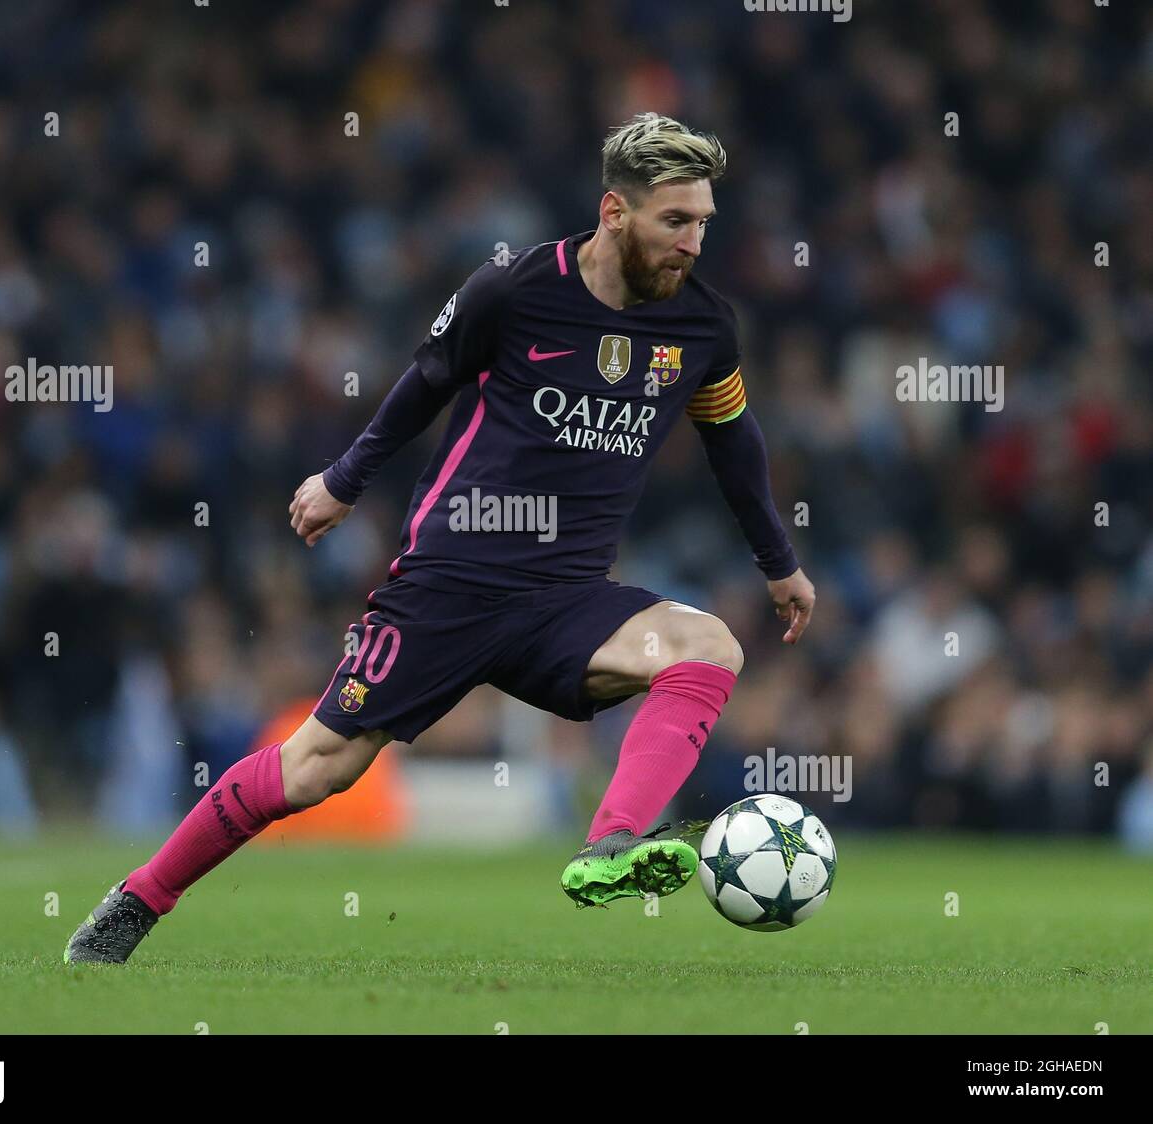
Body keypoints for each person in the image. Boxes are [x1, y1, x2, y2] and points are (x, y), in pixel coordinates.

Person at [65, 112, 814, 964]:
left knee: (706, 645)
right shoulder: (515, 288)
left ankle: (608, 844)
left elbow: (734, 443)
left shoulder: (704, 327)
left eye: (704, 222)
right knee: (318, 769)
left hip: (568, 600)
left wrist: (777, 563)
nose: (693, 243)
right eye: (674, 221)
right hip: (452, 582)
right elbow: (424, 382)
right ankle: (136, 902)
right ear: (615, 212)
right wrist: (343, 482)